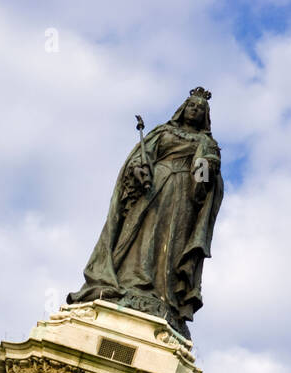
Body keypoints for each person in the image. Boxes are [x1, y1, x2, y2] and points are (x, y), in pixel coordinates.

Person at [67, 87, 223, 339]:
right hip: (153, 184)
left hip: (182, 194)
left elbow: (204, 179)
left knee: (170, 241)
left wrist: (205, 171)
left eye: (200, 108)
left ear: (205, 115)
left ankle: (162, 292)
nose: (195, 110)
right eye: (191, 106)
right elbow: (140, 158)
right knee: (137, 230)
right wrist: (139, 169)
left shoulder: (206, 143)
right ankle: (128, 280)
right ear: (183, 109)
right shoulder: (163, 132)